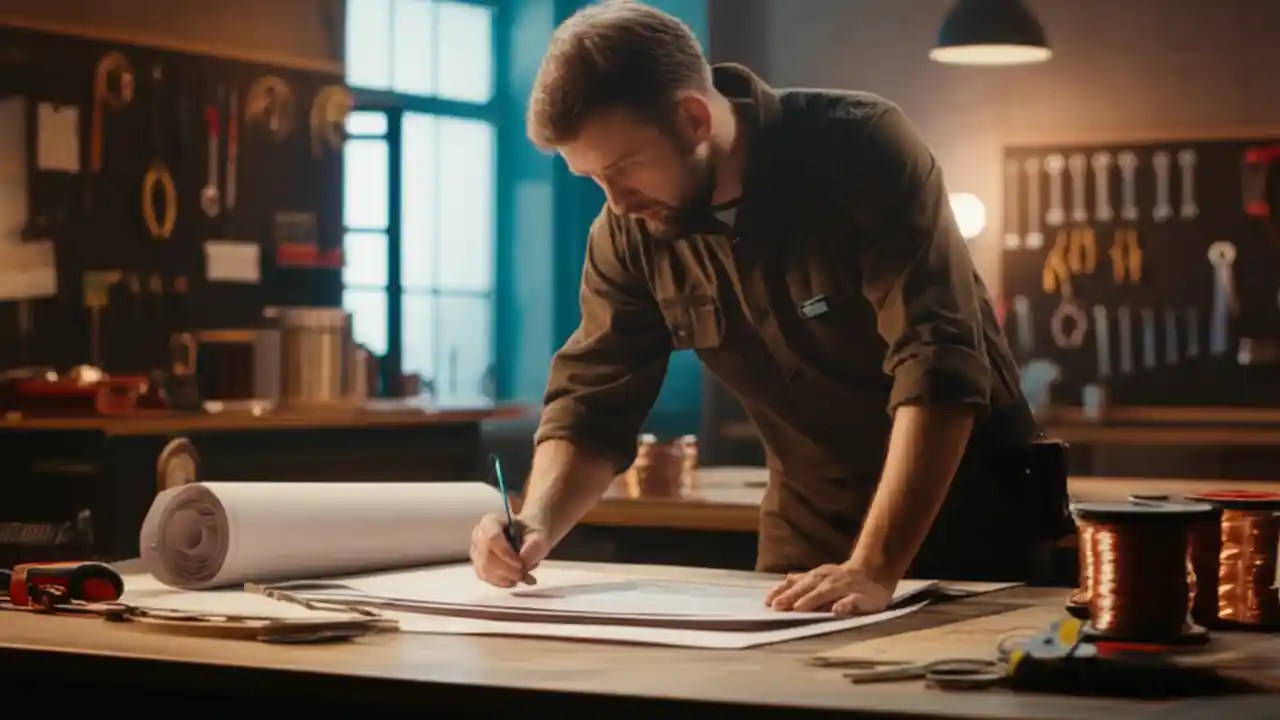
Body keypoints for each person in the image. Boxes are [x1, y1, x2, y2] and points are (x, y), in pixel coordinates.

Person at [470, 0, 1065, 615]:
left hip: (973, 531)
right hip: (805, 542)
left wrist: (874, 566)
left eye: (623, 168)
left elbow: (937, 364)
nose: (616, 202)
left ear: (694, 119)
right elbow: (592, 403)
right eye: (593, 178)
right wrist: (535, 522)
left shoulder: (861, 148)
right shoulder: (628, 231)